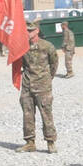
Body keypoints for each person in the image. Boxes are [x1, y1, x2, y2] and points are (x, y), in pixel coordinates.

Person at [17, 21, 58, 153]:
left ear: (37, 31)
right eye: (26, 31)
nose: (27, 33)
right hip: (27, 86)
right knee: (27, 114)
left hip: (43, 86)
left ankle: (50, 142)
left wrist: (46, 78)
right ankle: (30, 142)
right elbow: (21, 64)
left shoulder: (47, 46)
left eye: (30, 31)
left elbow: (54, 64)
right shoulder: (23, 47)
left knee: (46, 114)